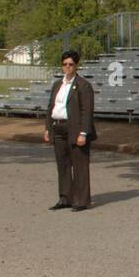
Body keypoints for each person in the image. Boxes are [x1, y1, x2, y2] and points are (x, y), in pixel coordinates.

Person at [43, 50, 96, 211]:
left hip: (75, 128)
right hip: (58, 127)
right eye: (65, 64)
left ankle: (81, 200)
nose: (67, 67)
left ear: (76, 65)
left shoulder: (83, 85)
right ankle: (65, 197)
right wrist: (47, 128)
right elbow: (50, 107)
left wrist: (83, 133)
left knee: (79, 165)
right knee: (63, 164)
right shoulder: (57, 84)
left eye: (71, 64)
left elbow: (87, 111)